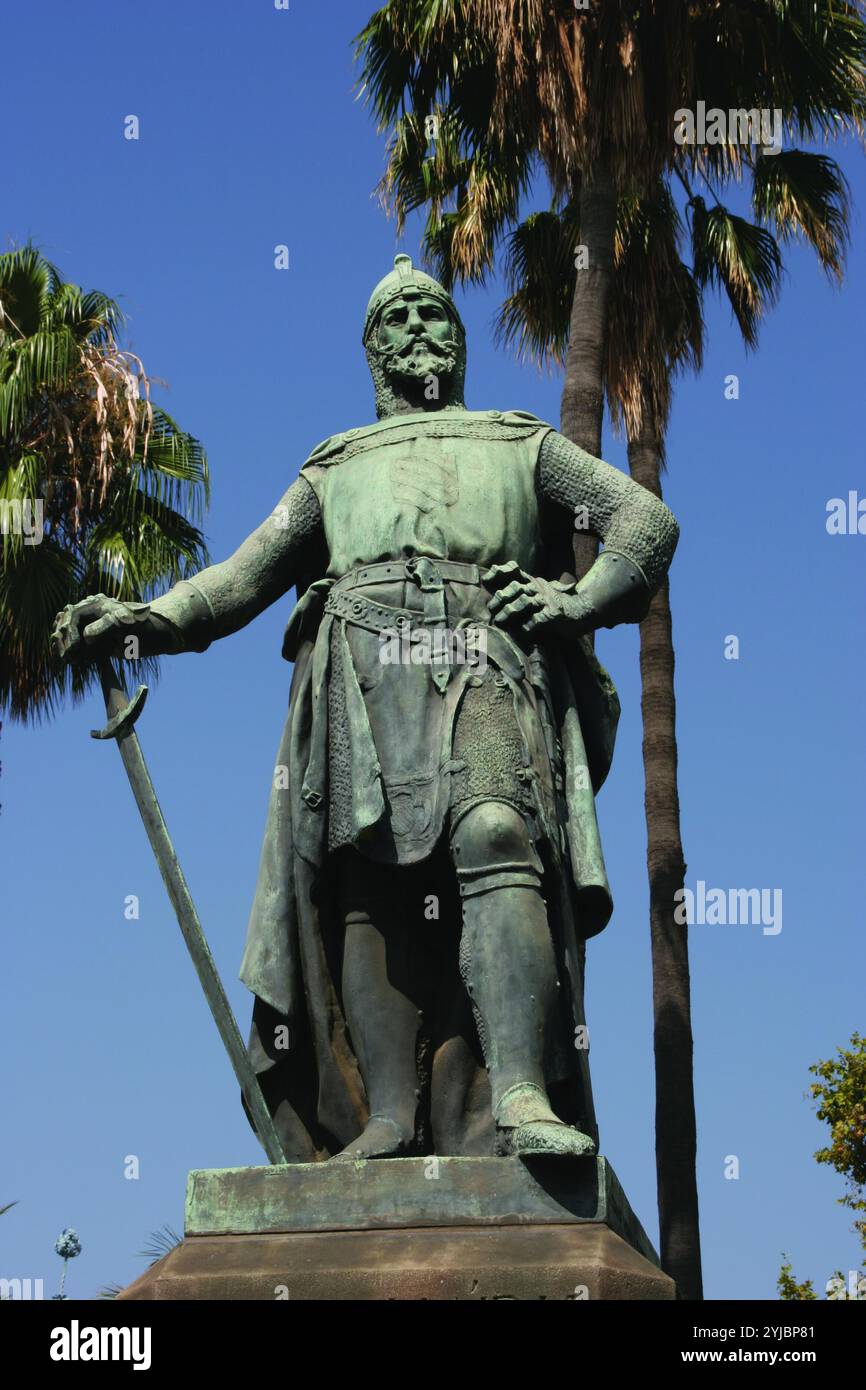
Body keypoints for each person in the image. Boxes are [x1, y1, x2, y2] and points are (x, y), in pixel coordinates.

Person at [53, 255, 679, 1163]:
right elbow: (241, 580)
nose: (420, 329)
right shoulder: (335, 467)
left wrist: (579, 604)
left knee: (498, 832)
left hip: (483, 658)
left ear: (459, 343)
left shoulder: (520, 440)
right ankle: (384, 1117)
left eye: (436, 315)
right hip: (358, 673)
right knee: (369, 885)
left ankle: (520, 1095)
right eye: (398, 319)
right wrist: (144, 619)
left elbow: (644, 522)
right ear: (371, 350)